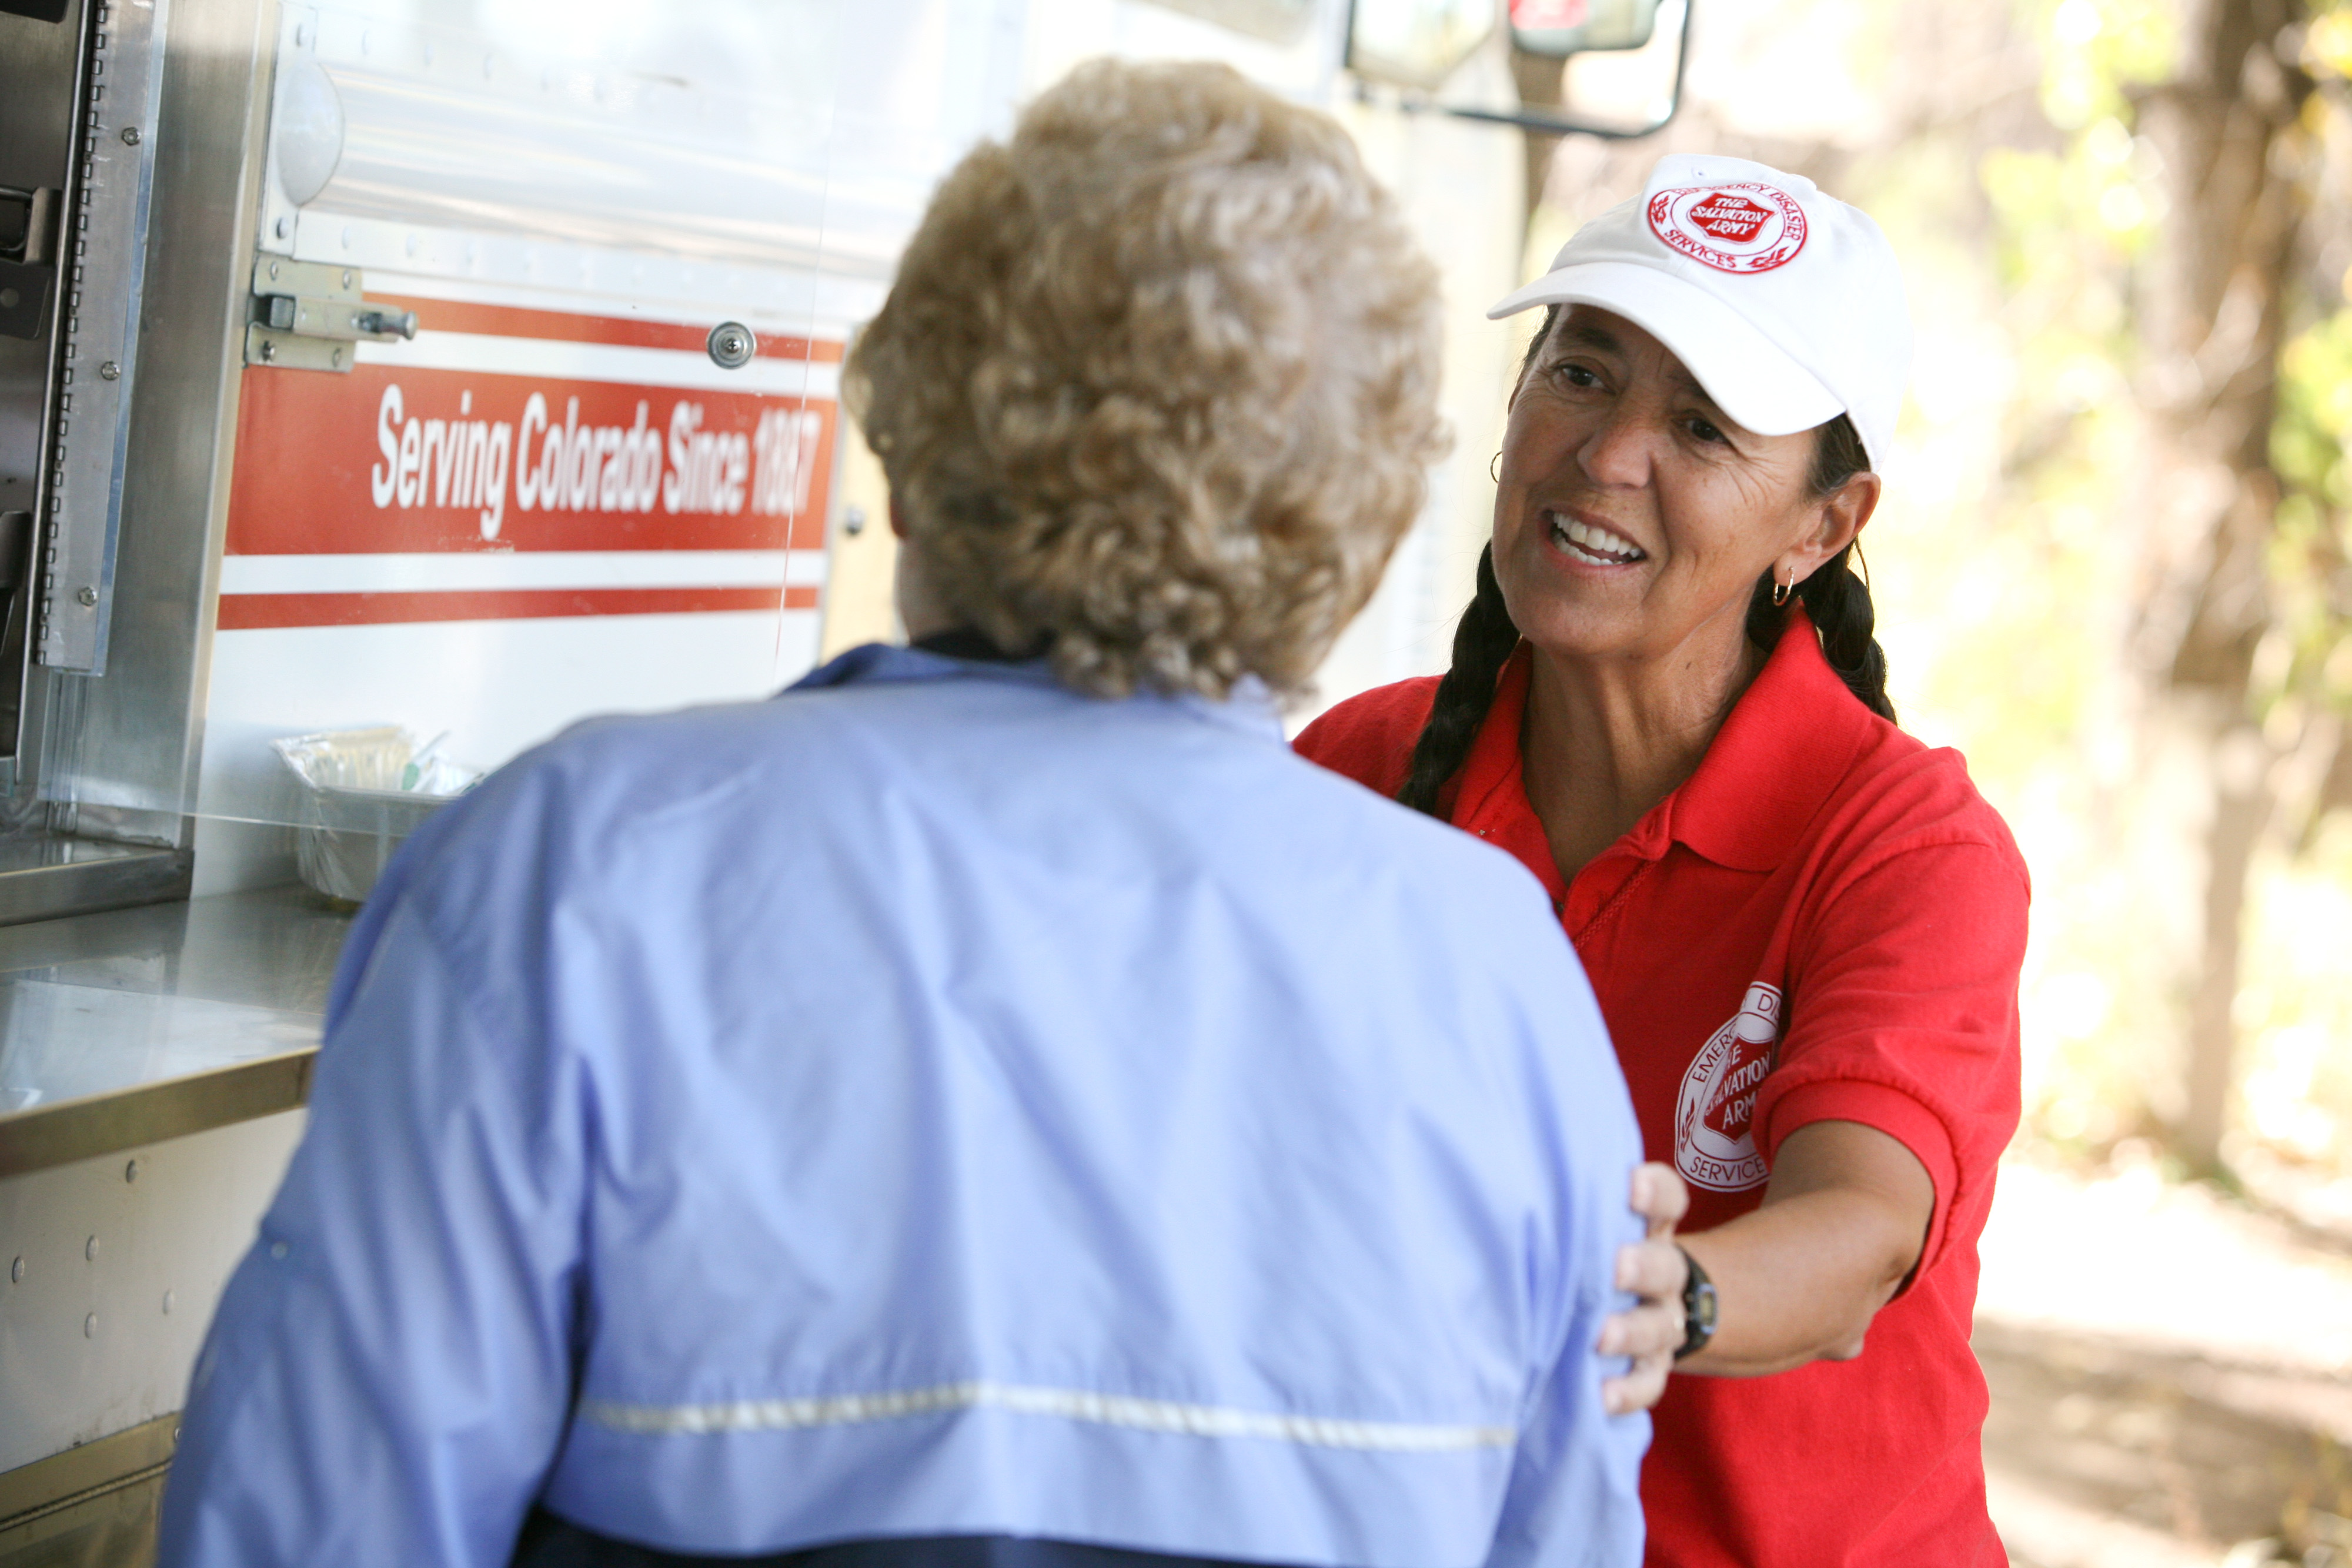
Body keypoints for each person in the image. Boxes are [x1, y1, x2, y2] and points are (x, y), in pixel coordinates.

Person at [156, 60, 1663, 1568]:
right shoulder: (1496, 977)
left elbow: (312, 1530)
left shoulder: (572, 867)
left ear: (914, 398)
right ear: (1357, 504)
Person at [1294, 153, 2029, 1567]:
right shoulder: (1355, 773)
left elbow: (1856, 1236)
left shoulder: (1906, 848)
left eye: (1699, 425)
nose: (1607, 452)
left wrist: (1636, 1296)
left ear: (1822, 524)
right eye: (1580, 372)